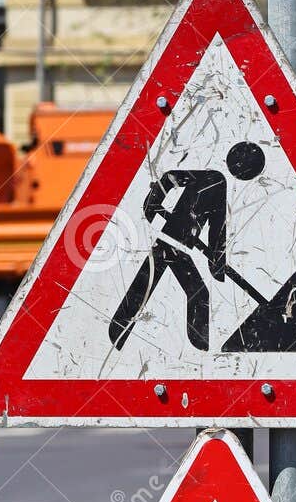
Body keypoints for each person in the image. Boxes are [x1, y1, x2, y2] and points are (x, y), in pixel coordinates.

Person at [108, 141, 266, 352]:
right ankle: (200, 350)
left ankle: (118, 334)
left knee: (149, 287)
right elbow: (170, 177)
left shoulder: (219, 183)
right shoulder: (213, 178)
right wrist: (152, 204)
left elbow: (218, 229)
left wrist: (217, 261)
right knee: (185, 293)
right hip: (170, 243)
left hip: (177, 247)